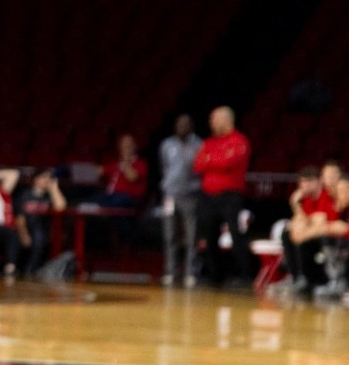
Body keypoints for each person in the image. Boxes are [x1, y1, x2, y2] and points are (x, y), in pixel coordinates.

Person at [193, 106, 252, 286]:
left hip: (230, 196)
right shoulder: (208, 142)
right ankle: (215, 276)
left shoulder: (239, 141)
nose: (211, 123)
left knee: (236, 235)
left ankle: (245, 276)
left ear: (226, 120)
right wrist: (216, 159)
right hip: (208, 196)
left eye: (214, 119)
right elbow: (197, 166)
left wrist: (210, 159)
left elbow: (229, 163)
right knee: (209, 237)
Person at [283, 163, 349, 296]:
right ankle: (297, 277)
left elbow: (323, 221)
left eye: (309, 181)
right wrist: (295, 205)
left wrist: (304, 231)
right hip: (322, 231)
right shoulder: (307, 199)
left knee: (306, 237)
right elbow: (301, 221)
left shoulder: (330, 194)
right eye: (303, 182)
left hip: (335, 233)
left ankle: (323, 279)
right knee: (288, 233)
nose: (305, 185)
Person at [158, 114, 202, 286]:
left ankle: (191, 272)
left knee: (192, 235)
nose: (182, 128)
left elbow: (200, 169)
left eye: (186, 125)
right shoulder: (167, 145)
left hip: (191, 195)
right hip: (170, 194)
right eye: (179, 125)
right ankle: (171, 271)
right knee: (170, 234)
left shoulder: (198, 145)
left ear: (191, 127)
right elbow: (164, 167)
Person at [13, 166, 68, 275]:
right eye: (44, 177)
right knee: (35, 235)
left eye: (49, 178)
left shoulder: (49, 196)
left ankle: (32, 269)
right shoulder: (24, 195)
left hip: (44, 229)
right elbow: (20, 218)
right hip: (26, 228)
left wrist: (54, 189)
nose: (47, 180)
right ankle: (25, 268)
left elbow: (61, 207)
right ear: (35, 179)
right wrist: (23, 234)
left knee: (40, 235)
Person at [98, 134, 148, 211]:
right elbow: (99, 171)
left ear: (134, 146)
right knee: (90, 202)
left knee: (114, 202)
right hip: (110, 196)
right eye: (123, 145)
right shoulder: (115, 164)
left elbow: (132, 177)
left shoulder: (140, 164)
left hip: (128, 198)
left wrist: (125, 161)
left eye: (128, 145)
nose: (126, 147)